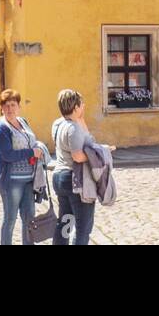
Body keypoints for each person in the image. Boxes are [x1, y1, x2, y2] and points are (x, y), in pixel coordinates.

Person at [51, 88, 114, 245]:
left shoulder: (59, 124)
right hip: (76, 180)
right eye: (81, 104)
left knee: (65, 222)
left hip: (60, 177)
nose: (83, 106)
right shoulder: (73, 128)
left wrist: (81, 118)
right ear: (75, 107)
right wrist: (101, 152)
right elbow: (78, 156)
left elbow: (88, 138)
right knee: (83, 228)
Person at [0, 88, 48, 245]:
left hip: (29, 179)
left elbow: (31, 141)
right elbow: (7, 155)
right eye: (6, 106)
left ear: (18, 106)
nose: (10, 109)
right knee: (10, 218)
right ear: (1, 108)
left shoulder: (23, 122)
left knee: (29, 217)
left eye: (13, 105)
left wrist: (39, 149)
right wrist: (31, 152)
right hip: (11, 180)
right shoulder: (1, 128)